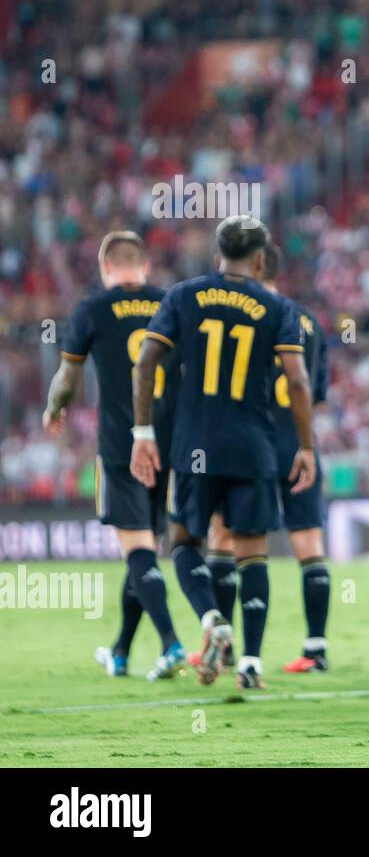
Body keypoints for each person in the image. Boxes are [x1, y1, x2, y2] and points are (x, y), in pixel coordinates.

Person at [130, 216, 316, 690]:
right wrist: (307, 447)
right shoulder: (276, 307)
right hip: (254, 446)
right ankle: (251, 664)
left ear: (217, 255)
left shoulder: (184, 295)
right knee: (253, 554)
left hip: (194, 443)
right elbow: (296, 380)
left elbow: (147, 359)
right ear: (260, 259)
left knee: (183, 542)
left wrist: (143, 432)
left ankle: (213, 618)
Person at [44, 231, 184, 680]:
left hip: (122, 446)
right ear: (143, 266)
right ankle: (121, 651)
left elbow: (68, 377)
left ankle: (172, 644)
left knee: (138, 550)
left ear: (107, 269)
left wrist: (54, 409)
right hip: (171, 445)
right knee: (143, 550)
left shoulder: (92, 309)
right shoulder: (170, 303)